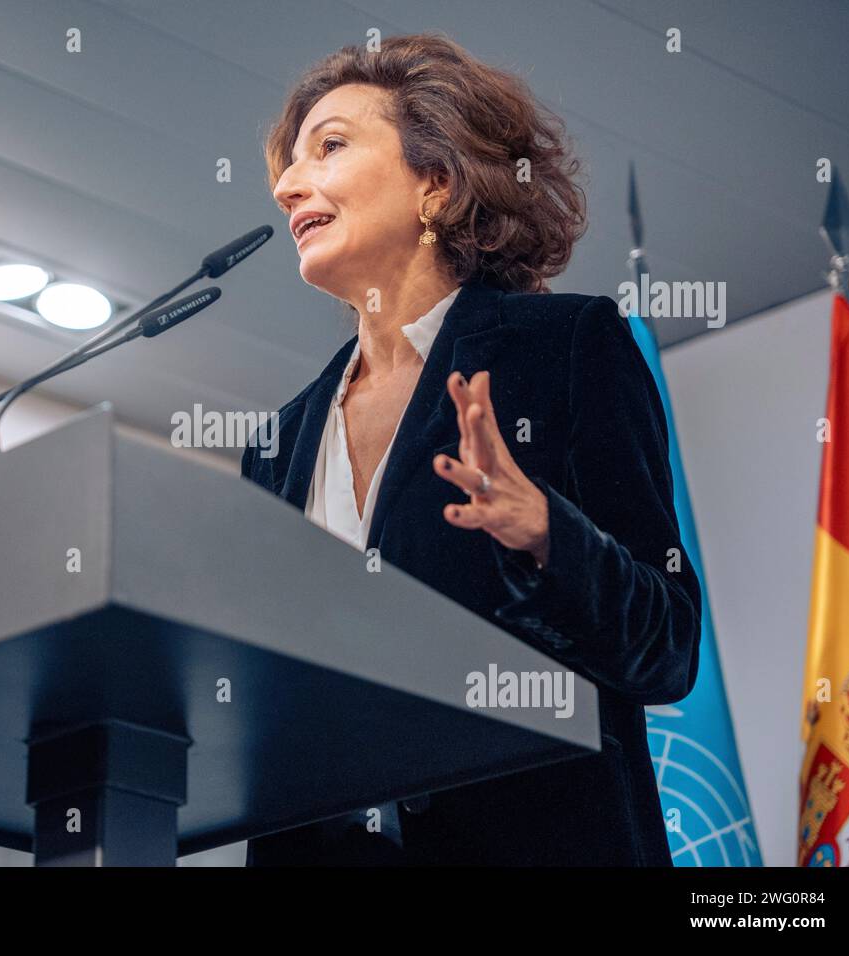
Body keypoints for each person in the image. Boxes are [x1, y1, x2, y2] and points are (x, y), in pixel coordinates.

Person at [241, 33, 701, 866]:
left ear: (439, 184)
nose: (285, 185)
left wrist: (546, 534)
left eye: (331, 146)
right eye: (289, 162)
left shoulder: (568, 350)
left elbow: (667, 645)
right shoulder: (276, 444)